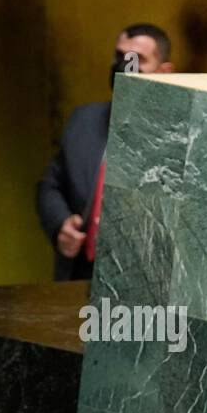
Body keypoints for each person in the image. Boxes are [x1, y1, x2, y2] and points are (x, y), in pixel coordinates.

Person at [37, 24, 174, 280]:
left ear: (164, 71)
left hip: (143, 287)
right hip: (78, 277)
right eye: (120, 56)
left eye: (138, 59)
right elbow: (50, 185)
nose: (126, 65)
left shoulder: (179, 138)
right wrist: (61, 224)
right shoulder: (84, 120)